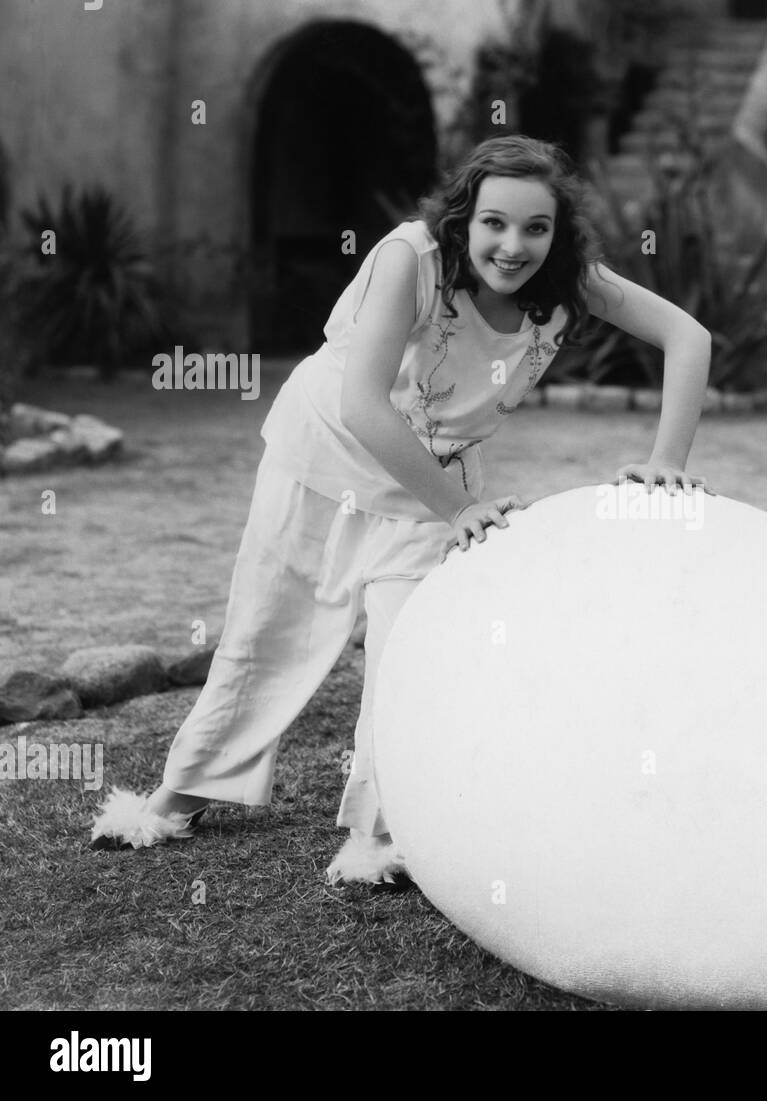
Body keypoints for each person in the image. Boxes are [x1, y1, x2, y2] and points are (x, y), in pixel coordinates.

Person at [89, 134, 716, 883]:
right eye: (495, 223)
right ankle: (173, 800)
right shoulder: (410, 259)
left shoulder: (570, 278)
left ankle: (381, 839)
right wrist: (459, 511)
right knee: (271, 630)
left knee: (410, 653)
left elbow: (687, 335)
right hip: (328, 456)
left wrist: (666, 463)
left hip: (435, 481)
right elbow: (363, 404)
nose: (513, 246)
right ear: (464, 217)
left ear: (559, 231)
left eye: (536, 227)